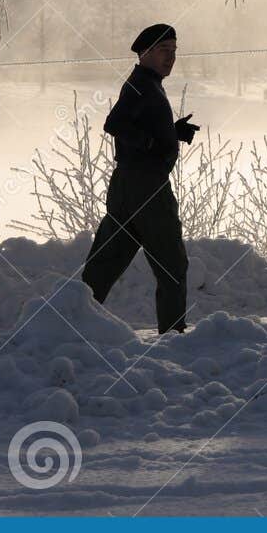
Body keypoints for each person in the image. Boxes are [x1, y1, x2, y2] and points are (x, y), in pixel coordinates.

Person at [80, 23, 201, 334]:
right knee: (172, 263)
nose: (170, 58)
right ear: (145, 53)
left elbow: (139, 127)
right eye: (163, 51)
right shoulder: (142, 85)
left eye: (174, 52)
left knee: (105, 263)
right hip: (147, 186)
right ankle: (174, 336)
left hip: (126, 186)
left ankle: (70, 322)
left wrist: (172, 134)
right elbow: (115, 123)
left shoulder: (148, 84)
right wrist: (151, 144)